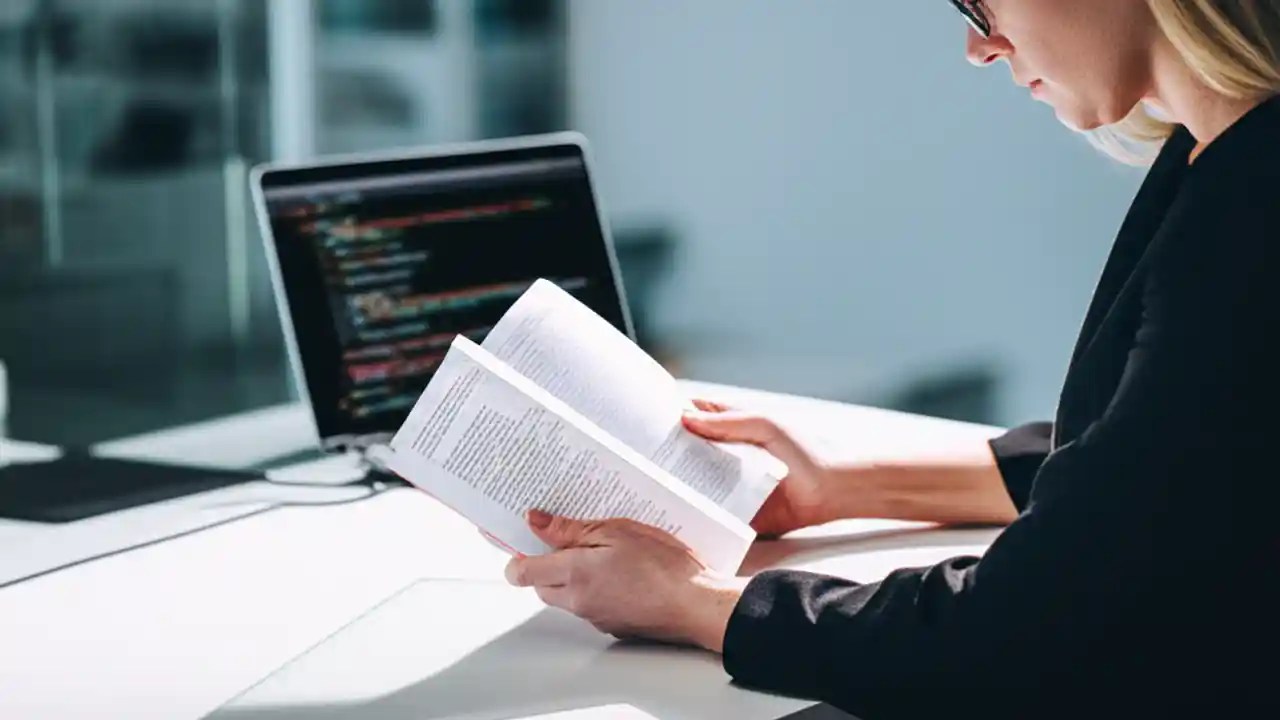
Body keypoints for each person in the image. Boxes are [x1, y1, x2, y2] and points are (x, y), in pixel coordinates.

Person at [503, 1, 1279, 716]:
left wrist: (696, 601)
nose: (980, 46)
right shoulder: (1217, 154)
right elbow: (1160, 456)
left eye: (982, 1)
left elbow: (1021, 629)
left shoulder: (1252, 211)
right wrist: (839, 486)